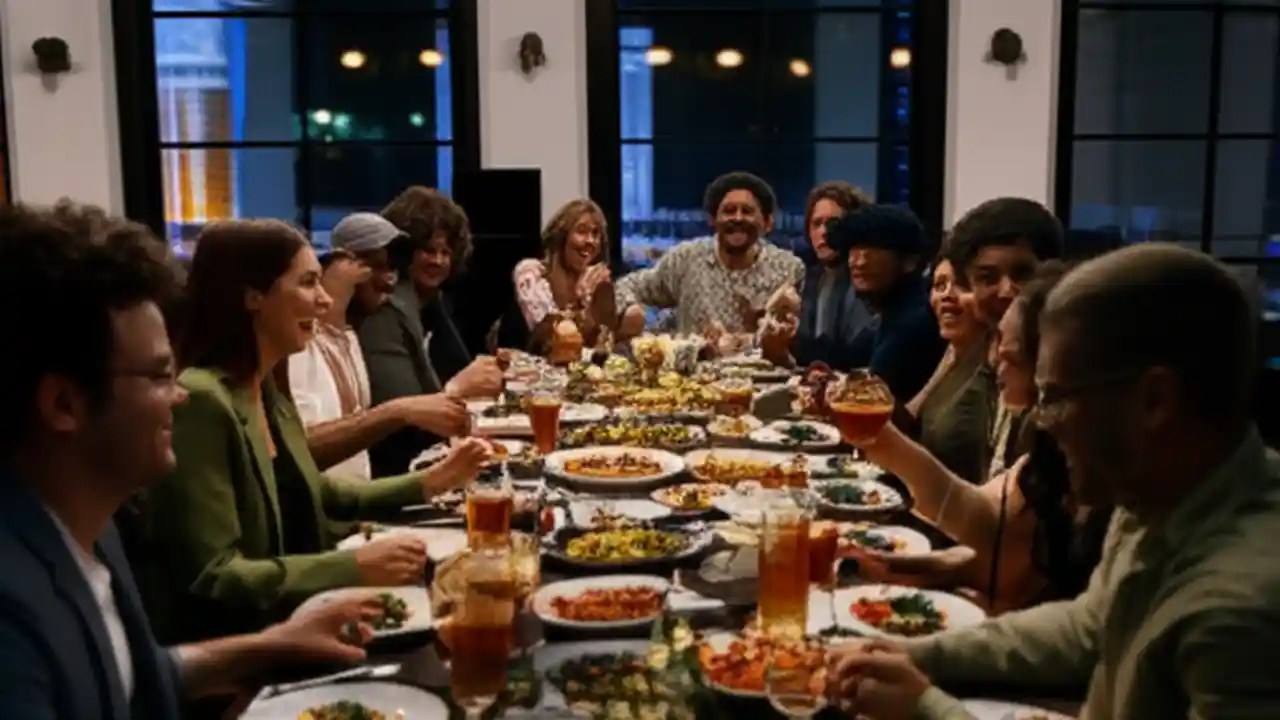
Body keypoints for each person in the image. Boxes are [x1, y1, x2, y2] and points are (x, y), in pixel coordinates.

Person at [831, 244, 1280, 720]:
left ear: (1154, 400)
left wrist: (925, 707)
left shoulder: (1238, 612)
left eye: (1055, 396)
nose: (1045, 423)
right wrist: (921, 655)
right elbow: (1087, 627)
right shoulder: (1160, 490)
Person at [0, 202, 383, 719]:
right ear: (64, 404)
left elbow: (141, 673)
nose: (178, 395)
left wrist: (275, 643)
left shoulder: (88, 529)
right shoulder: (13, 617)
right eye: (160, 376)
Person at [138, 219, 491, 645]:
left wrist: (431, 482)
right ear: (253, 296)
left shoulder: (265, 384)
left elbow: (320, 493)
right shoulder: (203, 399)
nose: (324, 301)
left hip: (305, 615)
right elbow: (214, 576)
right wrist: (353, 567)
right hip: (252, 648)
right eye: (308, 284)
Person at [847, 263, 1108, 613]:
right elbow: (988, 518)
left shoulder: (1112, 479)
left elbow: (1017, 561)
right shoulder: (1048, 445)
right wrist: (910, 569)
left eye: (1009, 352)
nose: (994, 359)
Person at [286, 213, 471, 481]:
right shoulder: (299, 348)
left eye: (393, 268)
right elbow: (301, 450)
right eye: (374, 266)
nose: (389, 280)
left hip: (358, 504)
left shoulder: (350, 336)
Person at [361, 186, 504, 477]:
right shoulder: (386, 309)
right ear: (402, 252)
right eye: (428, 250)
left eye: (446, 252)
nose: (438, 261)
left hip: (438, 461)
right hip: (397, 475)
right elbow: (403, 424)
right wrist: (460, 387)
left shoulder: (433, 301)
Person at [769, 203, 943, 400]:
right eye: (854, 249)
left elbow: (870, 403)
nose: (859, 262)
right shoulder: (892, 312)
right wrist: (787, 343)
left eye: (873, 249)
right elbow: (844, 357)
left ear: (909, 261)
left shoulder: (913, 322)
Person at [947, 197, 1065, 479]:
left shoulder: (1055, 368)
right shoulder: (975, 341)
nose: (1007, 290)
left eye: (1023, 274)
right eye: (988, 278)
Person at [614, 171, 805, 337]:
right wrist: (632, 314)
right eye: (729, 211)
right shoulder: (685, 259)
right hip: (693, 377)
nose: (737, 218)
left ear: (767, 222)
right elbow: (624, 288)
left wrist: (752, 335)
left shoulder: (788, 269)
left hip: (767, 377)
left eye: (747, 211)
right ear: (712, 219)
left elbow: (799, 338)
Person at [900, 249, 995, 484]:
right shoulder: (954, 350)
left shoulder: (993, 364)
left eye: (961, 285)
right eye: (939, 286)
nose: (947, 295)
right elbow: (911, 417)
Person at [512, 198, 617, 354]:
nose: (590, 241)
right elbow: (549, 340)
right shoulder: (530, 272)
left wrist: (600, 299)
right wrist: (582, 306)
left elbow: (600, 345)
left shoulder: (594, 280)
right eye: (581, 231)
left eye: (595, 234)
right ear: (560, 237)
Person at [791, 181, 874, 367]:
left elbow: (854, 354)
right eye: (816, 224)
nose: (823, 232)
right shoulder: (812, 278)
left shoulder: (866, 276)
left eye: (832, 223)